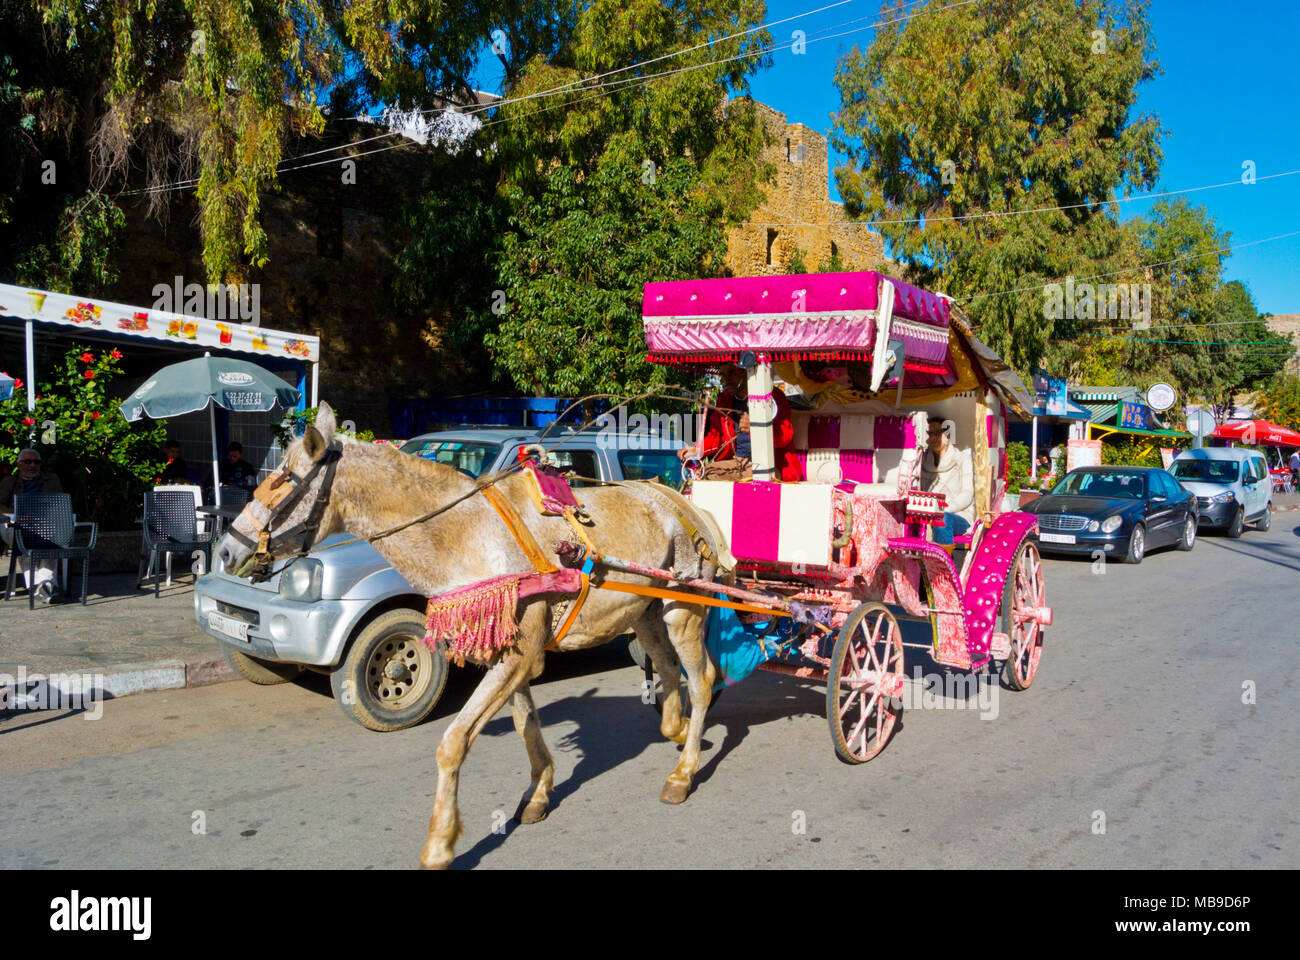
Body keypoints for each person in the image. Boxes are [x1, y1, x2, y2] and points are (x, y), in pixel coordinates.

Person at [677, 365, 800, 481]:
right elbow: (717, 437)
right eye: (723, 375)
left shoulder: (772, 396)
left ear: (747, 372)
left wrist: (755, 427)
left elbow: (785, 436)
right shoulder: (725, 399)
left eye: (731, 373)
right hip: (737, 461)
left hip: (769, 464)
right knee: (704, 474)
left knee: (752, 477)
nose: (726, 379)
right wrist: (695, 449)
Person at [0, 448, 64, 602]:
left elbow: (61, 503)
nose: (32, 465)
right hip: (16, 525)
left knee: (53, 539)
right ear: (19, 464)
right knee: (23, 539)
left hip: (45, 525)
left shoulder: (52, 480)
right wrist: (18, 515)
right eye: (27, 462)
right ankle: (45, 586)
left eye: (36, 462)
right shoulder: (9, 481)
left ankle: (40, 586)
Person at [921, 417, 974, 549]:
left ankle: (942, 567)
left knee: (941, 519)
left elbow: (967, 494)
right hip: (928, 512)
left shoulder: (962, 459)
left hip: (958, 514)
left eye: (937, 433)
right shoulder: (922, 460)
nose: (933, 438)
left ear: (948, 435)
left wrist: (943, 509)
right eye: (930, 434)